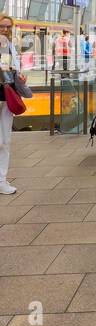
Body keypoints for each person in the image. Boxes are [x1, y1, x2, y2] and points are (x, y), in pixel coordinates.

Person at [0, 14, 21, 194]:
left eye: (8, 27)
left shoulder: (11, 47)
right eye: (2, 26)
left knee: (5, 141)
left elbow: (13, 69)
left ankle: (2, 180)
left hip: (7, 97)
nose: (5, 30)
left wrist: (19, 75)